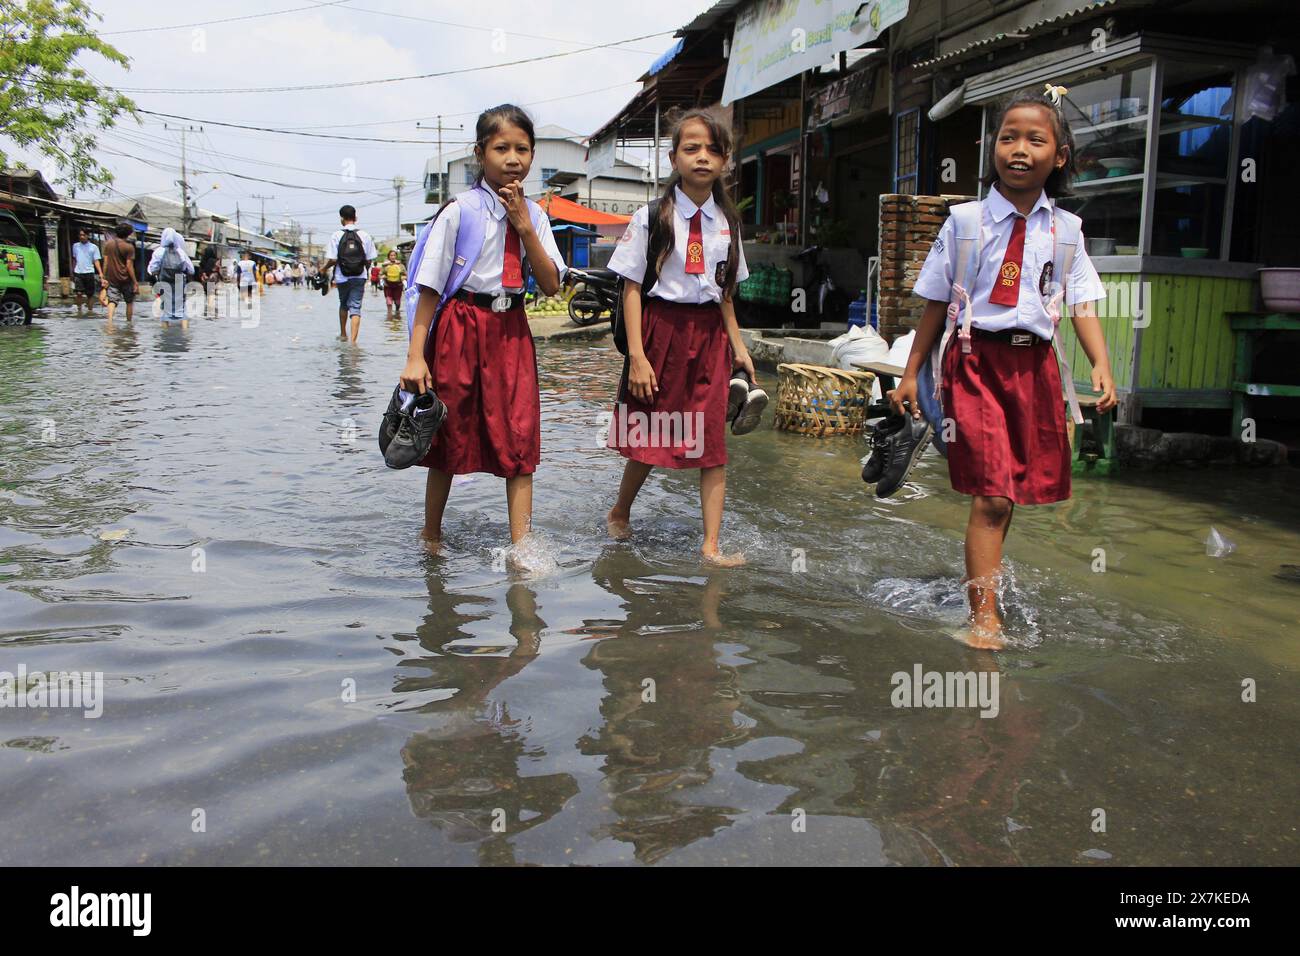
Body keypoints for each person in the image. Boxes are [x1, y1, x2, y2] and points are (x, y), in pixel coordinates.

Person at [890, 85, 1116, 648]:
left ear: (1058, 156)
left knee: (1010, 494)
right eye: (1008, 137)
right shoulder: (965, 223)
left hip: (1036, 368)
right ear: (994, 148)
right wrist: (909, 374)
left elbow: (1080, 301)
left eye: (1035, 140)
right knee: (991, 493)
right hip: (974, 362)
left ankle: (984, 588)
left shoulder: (1066, 230)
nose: (1019, 149)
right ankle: (983, 617)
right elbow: (936, 305)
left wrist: (1101, 363)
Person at [399, 104, 565, 555]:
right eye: (501, 148)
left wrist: (525, 227)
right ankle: (431, 536)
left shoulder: (536, 215)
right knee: (448, 431)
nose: (513, 158)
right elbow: (429, 287)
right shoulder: (460, 211)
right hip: (461, 326)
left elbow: (551, 284)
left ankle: (522, 547)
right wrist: (416, 356)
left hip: (511, 328)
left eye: (523, 149)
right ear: (480, 153)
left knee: (520, 432)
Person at [603, 108, 756, 567]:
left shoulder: (728, 221)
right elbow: (631, 288)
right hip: (659, 333)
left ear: (726, 160)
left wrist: (739, 345)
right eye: (691, 149)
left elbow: (725, 290)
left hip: (709, 337)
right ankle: (619, 511)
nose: (702, 157)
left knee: (711, 442)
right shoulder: (652, 216)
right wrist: (637, 356)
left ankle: (710, 546)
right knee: (653, 432)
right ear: (673, 158)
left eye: (713, 149)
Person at [323, 204, 377, 342]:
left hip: (342, 277)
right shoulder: (365, 235)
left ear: (342, 219)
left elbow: (333, 259)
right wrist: (364, 270)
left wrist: (323, 269)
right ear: (356, 218)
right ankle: (353, 342)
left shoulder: (336, 235)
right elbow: (369, 259)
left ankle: (343, 334)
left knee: (343, 304)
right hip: (360, 276)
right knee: (356, 307)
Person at [147, 227, 196, 328]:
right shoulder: (181, 252)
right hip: (179, 282)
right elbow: (191, 270)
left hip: (164, 282)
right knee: (181, 309)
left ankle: (165, 334)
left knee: (165, 308)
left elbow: (152, 269)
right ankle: (185, 333)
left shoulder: (158, 252)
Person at [101, 221, 138, 326]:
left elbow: (106, 262)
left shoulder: (108, 245)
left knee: (112, 301)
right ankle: (129, 324)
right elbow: (129, 266)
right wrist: (135, 282)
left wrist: (104, 277)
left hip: (112, 278)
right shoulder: (129, 247)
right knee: (129, 302)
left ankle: (109, 323)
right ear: (128, 234)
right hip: (126, 278)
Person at [70, 229, 103, 315]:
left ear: (88, 236)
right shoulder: (75, 246)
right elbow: (74, 259)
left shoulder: (93, 247)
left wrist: (100, 273)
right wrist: (72, 271)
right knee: (79, 293)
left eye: (84, 235)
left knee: (90, 294)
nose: (82, 237)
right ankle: (79, 310)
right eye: (80, 235)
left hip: (89, 272)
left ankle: (90, 310)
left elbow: (96, 261)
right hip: (78, 272)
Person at [381, 249, 406, 317]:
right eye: (391, 255)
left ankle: (397, 313)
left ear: (396, 256)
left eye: (394, 255)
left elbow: (405, 275)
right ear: (388, 256)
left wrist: (402, 278)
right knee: (389, 303)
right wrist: (383, 276)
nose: (393, 257)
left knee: (397, 302)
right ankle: (389, 316)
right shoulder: (385, 265)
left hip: (398, 286)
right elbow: (380, 274)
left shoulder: (400, 265)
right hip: (388, 286)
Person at [197, 245, 221, 316]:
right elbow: (218, 271)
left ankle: (207, 310)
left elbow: (200, 271)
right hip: (212, 280)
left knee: (207, 295)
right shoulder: (215, 261)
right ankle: (212, 310)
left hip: (204, 280)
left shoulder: (202, 261)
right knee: (212, 295)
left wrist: (204, 275)